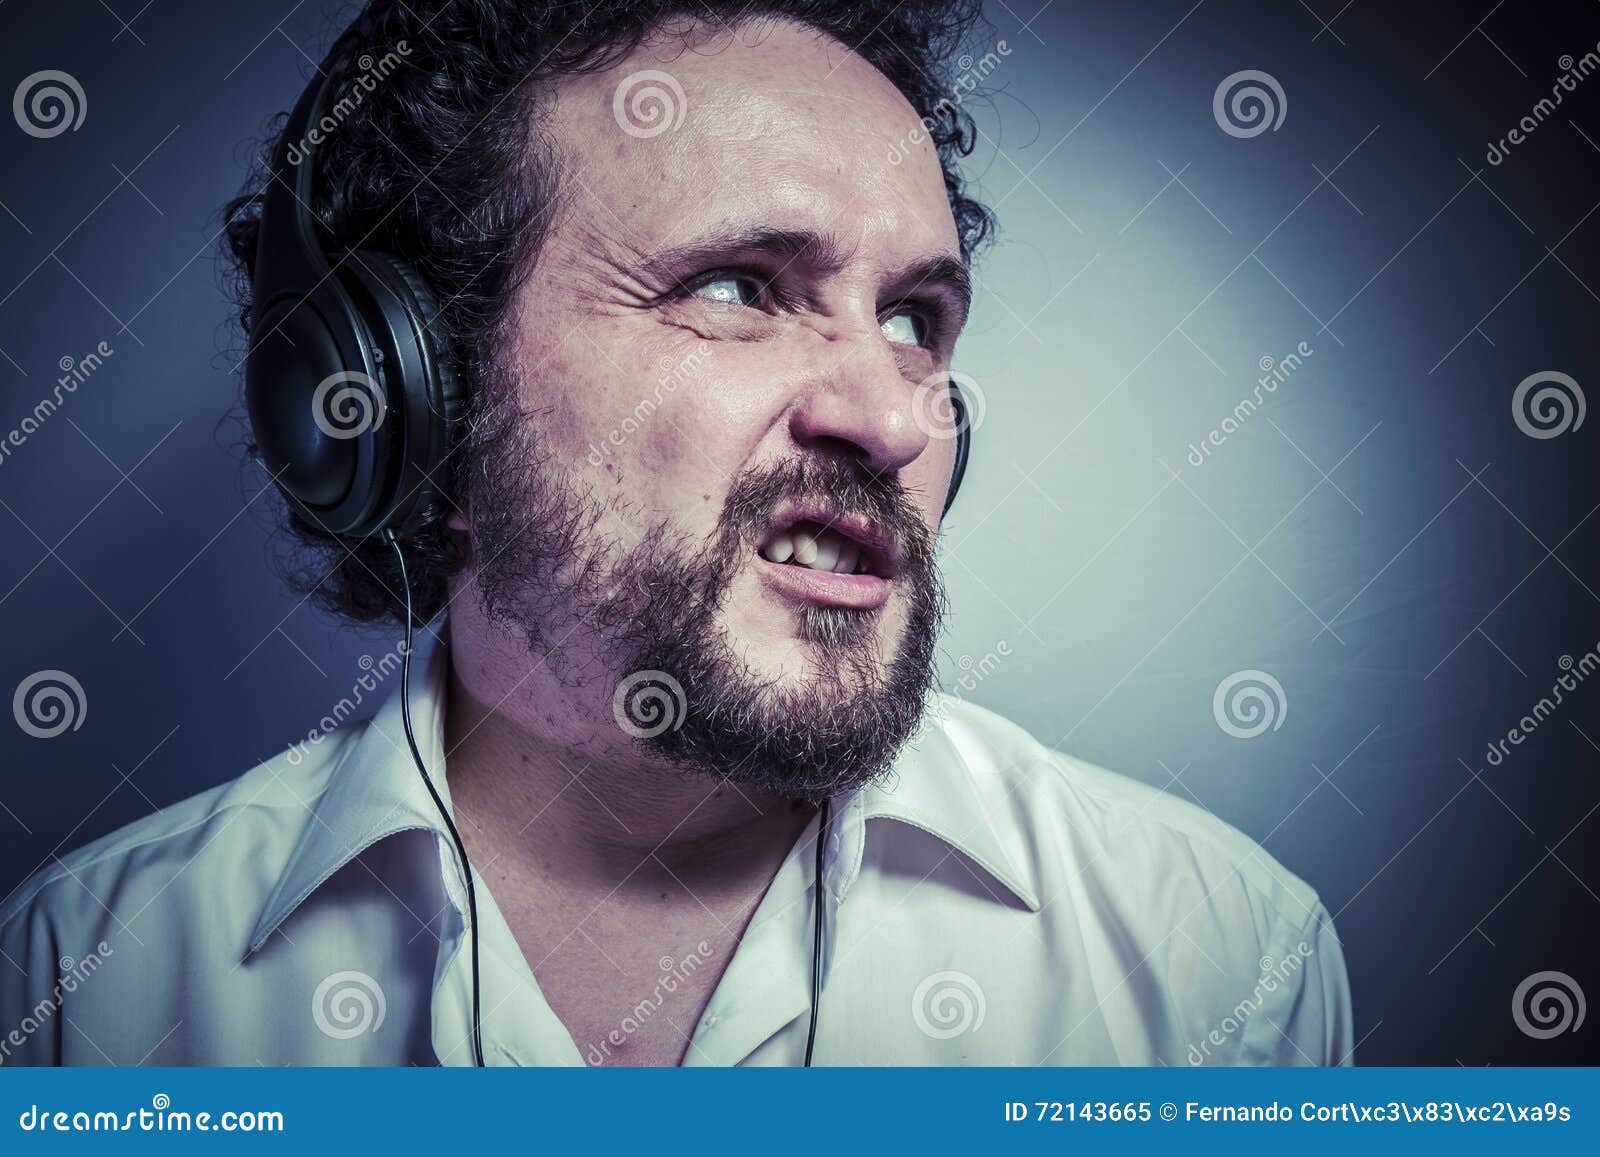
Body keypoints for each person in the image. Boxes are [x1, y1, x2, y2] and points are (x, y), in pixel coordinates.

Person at [0, 0, 1351, 1067]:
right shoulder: (83, 988)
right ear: (413, 405)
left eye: (914, 319)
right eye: (741, 288)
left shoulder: (1217, 970)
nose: (892, 417)